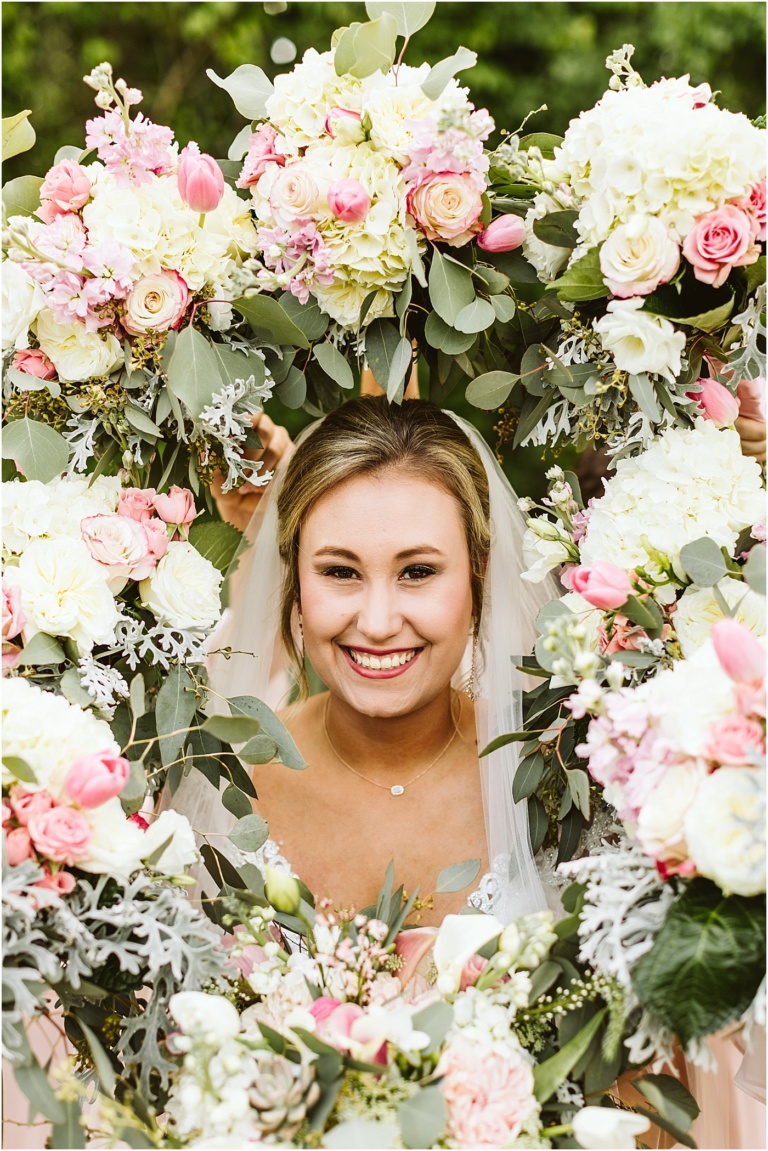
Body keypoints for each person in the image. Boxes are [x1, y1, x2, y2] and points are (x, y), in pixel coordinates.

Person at [194, 396, 559, 925]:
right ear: (295, 581)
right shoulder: (220, 776)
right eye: (340, 572)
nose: (379, 623)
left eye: (418, 572)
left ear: (478, 574)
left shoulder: (560, 772)